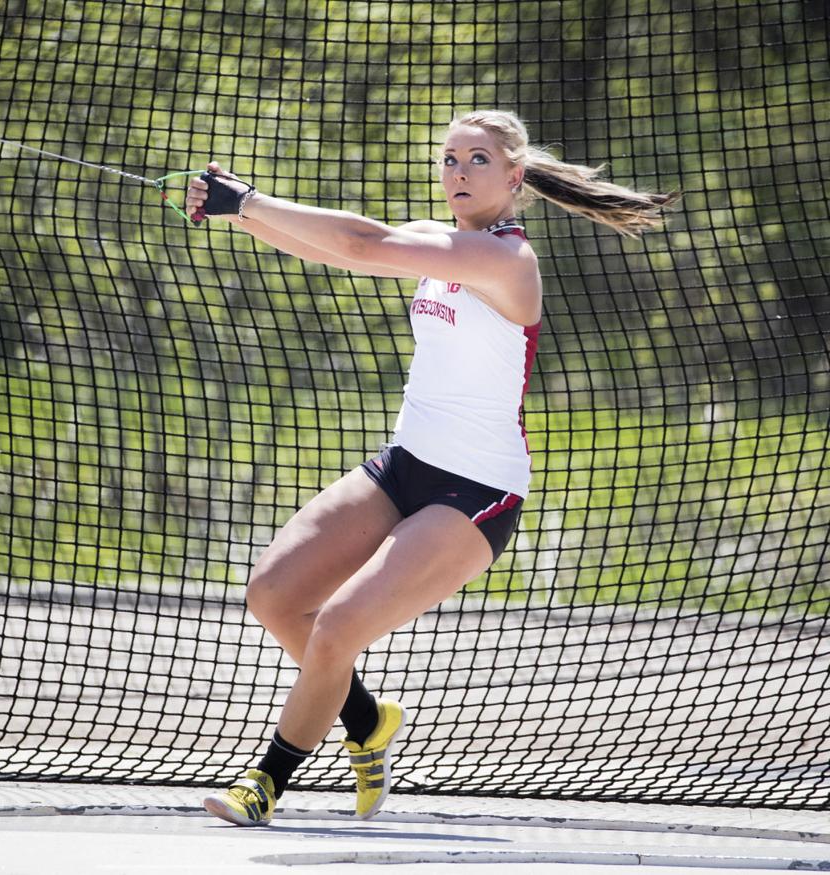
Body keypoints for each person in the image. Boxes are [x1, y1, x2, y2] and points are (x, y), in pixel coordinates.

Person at [186, 109, 677, 827]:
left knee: (336, 628)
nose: (457, 172)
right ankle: (366, 718)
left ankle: (264, 781)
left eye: (476, 160)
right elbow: (344, 252)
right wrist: (239, 212)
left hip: (477, 491)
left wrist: (250, 202)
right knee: (272, 595)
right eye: (449, 159)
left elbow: (364, 240)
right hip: (406, 464)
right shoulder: (437, 239)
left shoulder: (508, 261)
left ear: (514, 176)